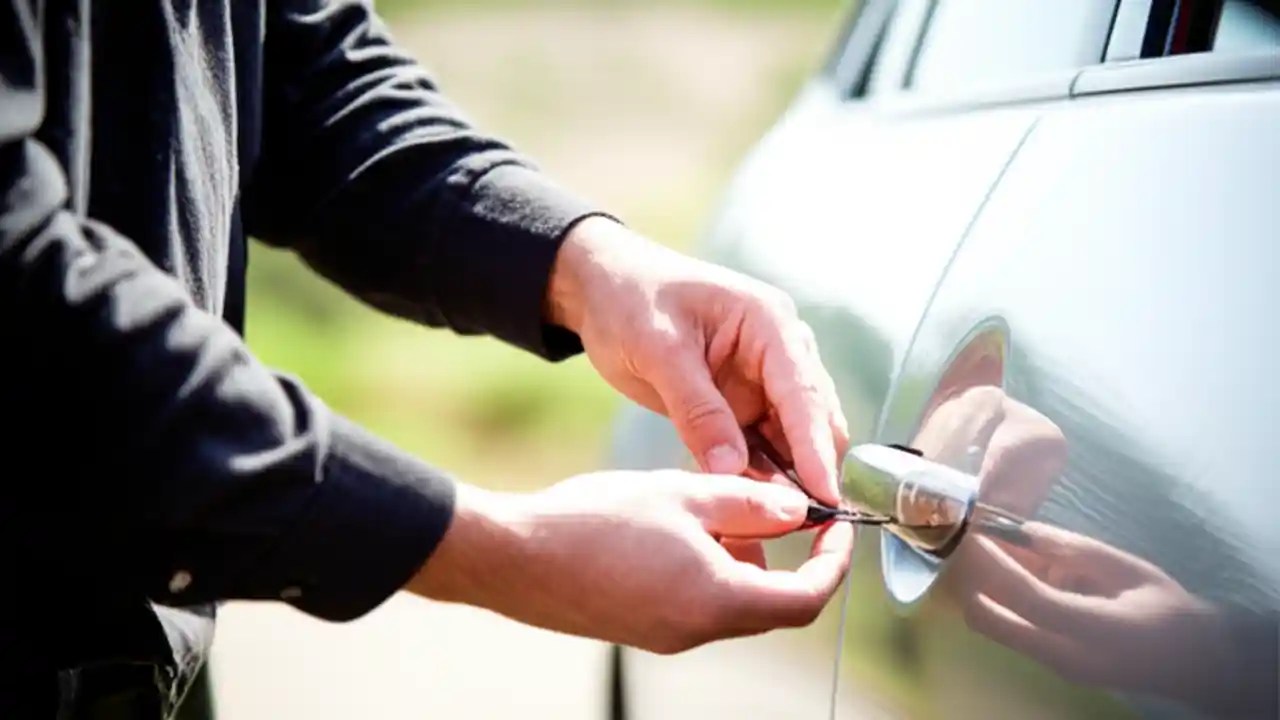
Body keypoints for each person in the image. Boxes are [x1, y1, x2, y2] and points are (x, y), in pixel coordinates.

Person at [0, 0, 854, 716]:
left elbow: (300, 72)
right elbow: (23, 292)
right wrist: (505, 549)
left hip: (147, 645)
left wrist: (587, 267)